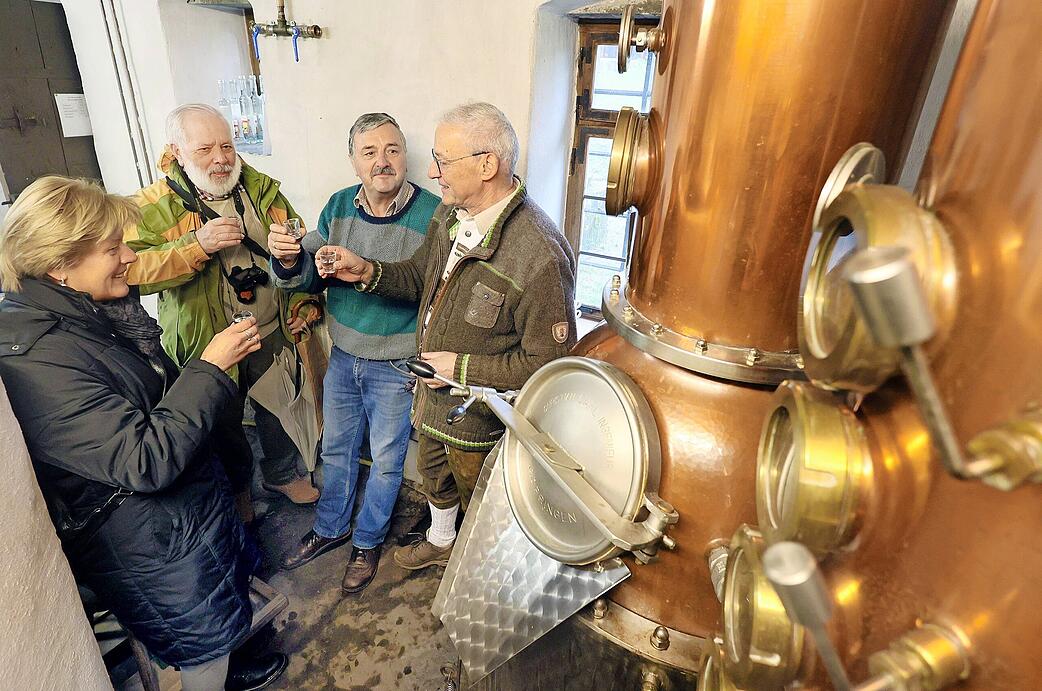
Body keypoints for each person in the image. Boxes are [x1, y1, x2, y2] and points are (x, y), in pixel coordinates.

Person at [0, 176, 286, 691]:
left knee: (216, 624)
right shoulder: (38, 359)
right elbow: (144, 458)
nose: (131, 257)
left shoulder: (88, 313)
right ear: (60, 265)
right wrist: (211, 368)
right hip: (147, 539)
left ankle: (231, 660)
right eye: (113, 249)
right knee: (200, 650)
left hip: (177, 522)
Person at [316, 102, 578, 571]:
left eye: (443, 160)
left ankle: (478, 573)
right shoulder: (450, 215)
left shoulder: (539, 255)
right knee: (434, 474)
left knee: (480, 500)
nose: (432, 171)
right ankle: (441, 542)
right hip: (432, 397)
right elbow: (420, 278)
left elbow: (547, 364)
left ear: (486, 165)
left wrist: (458, 369)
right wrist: (367, 272)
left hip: (480, 416)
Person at [125, 103, 321, 523]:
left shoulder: (261, 189)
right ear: (176, 152)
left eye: (227, 146)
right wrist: (197, 245)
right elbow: (129, 271)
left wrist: (299, 283)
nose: (221, 159)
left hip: (269, 328)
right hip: (207, 341)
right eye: (205, 150)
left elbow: (296, 248)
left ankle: (282, 475)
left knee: (279, 408)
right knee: (220, 424)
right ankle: (236, 495)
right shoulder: (152, 205)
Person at [269, 113, 440, 593]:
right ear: (353, 161)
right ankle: (330, 528)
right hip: (344, 356)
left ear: (405, 156)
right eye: (369, 152)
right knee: (336, 449)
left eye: (392, 150)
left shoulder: (433, 214)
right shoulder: (339, 207)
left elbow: (430, 289)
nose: (382, 161)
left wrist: (367, 269)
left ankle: (367, 541)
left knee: (387, 461)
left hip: (397, 364)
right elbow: (304, 275)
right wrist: (289, 259)